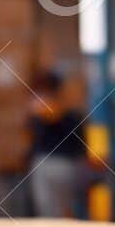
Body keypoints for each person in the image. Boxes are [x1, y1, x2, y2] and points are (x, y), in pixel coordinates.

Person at [25, 70, 85, 218]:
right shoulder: (72, 113)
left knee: (54, 212)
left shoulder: (64, 113)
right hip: (60, 164)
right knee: (56, 211)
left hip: (58, 164)